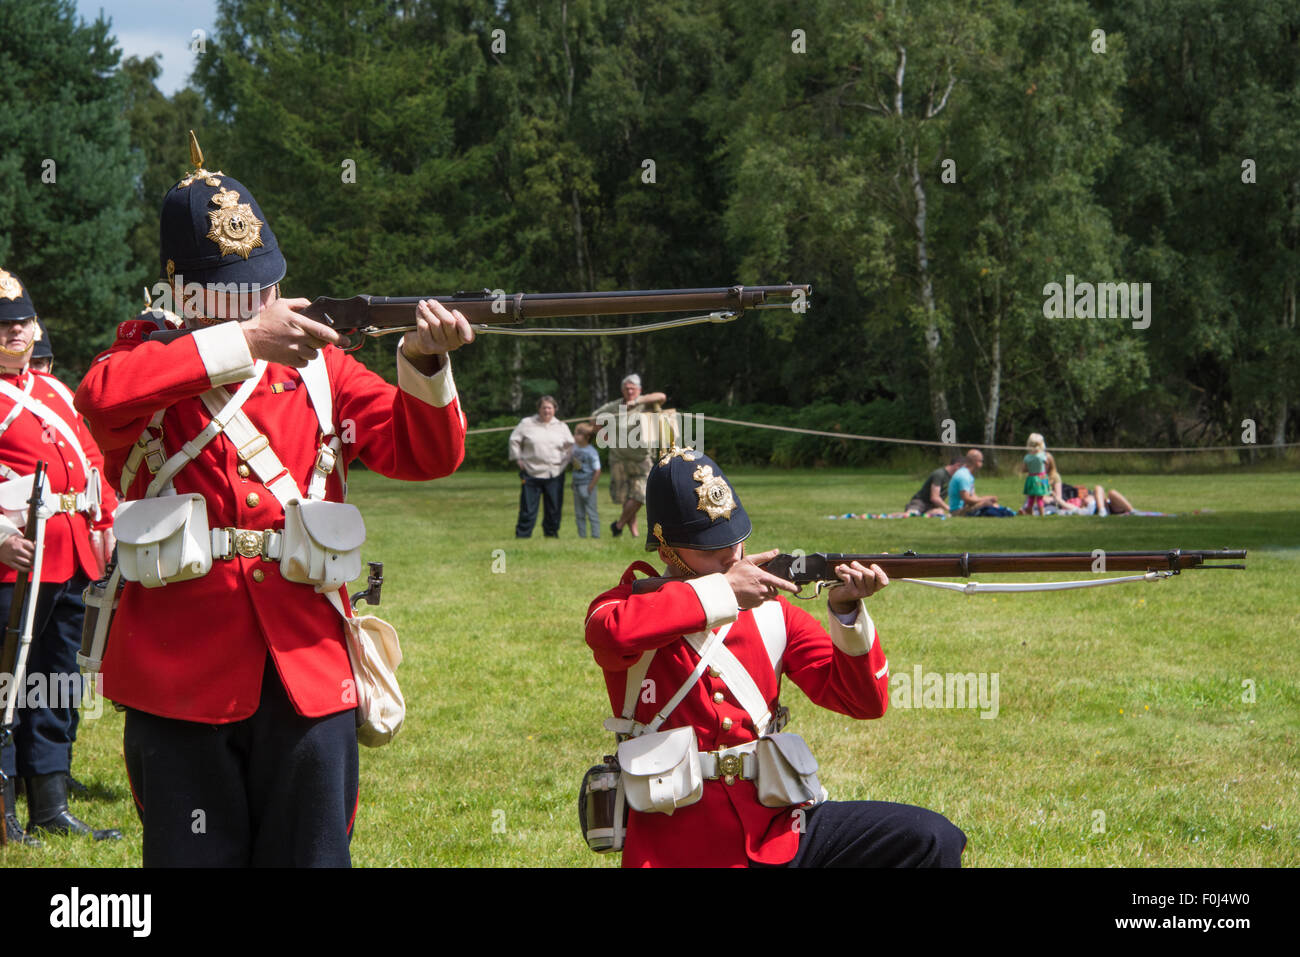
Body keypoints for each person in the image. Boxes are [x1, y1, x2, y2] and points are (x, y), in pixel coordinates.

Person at [73, 134, 474, 867]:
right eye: (236, 292)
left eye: (263, 283)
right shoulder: (144, 362)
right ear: (182, 293)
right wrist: (244, 342)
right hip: (177, 680)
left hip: (307, 668)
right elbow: (101, 397)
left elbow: (426, 454)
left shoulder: (322, 372)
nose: (258, 301)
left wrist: (424, 362)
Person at [583, 447, 966, 867]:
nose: (732, 557)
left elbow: (863, 703)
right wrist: (725, 592)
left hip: (778, 835)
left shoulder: (774, 614)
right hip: (675, 851)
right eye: (711, 549)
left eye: (735, 540)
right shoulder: (624, 606)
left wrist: (845, 611)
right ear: (667, 549)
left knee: (929, 838)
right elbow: (612, 631)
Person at [0, 268, 121, 845]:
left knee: (56, 681)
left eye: (20, 322)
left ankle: (51, 804)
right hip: (16, 561)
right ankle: (4, 813)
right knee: (7, 683)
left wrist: (108, 519)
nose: (13, 334)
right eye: (1, 326)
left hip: (71, 554)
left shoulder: (51, 390)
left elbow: (91, 461)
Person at [592, 374, 666, 539]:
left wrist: (637, 401)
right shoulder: (614, 406)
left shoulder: (646, 403)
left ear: (639, 390)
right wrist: (604, 436)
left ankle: (618, 525)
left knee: (641, 495)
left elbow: (661, 396)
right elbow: (594, 418)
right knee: (627, 497)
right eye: (626, 388)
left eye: (633, 388)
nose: (629, 390)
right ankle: (634, 533)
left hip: (642, 459)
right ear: (622, 390)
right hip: (619, 458)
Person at [507, 395, 574, 538]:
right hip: (531, 472)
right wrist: (518, 458)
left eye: (550, 408)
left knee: (554, 507)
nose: (547, 411)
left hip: (555, 472)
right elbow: (514, 440)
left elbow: (571, 446)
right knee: (528, 507)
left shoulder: (562, 427)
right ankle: (523, 534)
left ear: (555, 409)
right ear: (538, 409)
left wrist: (565, 462)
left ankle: (551, 533)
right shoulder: (527, 423)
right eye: (544, 407)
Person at [571, 422, 601, 538]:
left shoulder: (591, 452)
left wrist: (591, 486)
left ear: (587, 437)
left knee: (591, 512)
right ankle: (581, 536)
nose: (575, 436)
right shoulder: (574, 448)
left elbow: (597, 470)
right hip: (577, 485)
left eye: (578, 434)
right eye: (575, 433)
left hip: (587, 485)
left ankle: (595, 536)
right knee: (579, 513)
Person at [948, 449, 999, 514]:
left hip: (965, 507)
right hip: (958, 511)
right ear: (975, 461)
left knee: (992, 504)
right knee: (988, 504)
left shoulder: (968, 475)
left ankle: (1012, 513)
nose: (982, 463)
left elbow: (973, 497)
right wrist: (985, 500)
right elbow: (967, 499)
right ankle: (1012, 513)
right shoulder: (963, 476)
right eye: (981, 461)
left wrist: (988, 498)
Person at [1019, 433, 1051, 515]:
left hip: (1032, 477)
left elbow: (1023, 469)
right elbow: (1047, 463)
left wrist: (1030, 468)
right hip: (1042, 477)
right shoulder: (1042, 456)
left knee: (1031, 497)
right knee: (1040, 497)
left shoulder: (1027, 457)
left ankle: (1030, 511)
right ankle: (1042, 514)